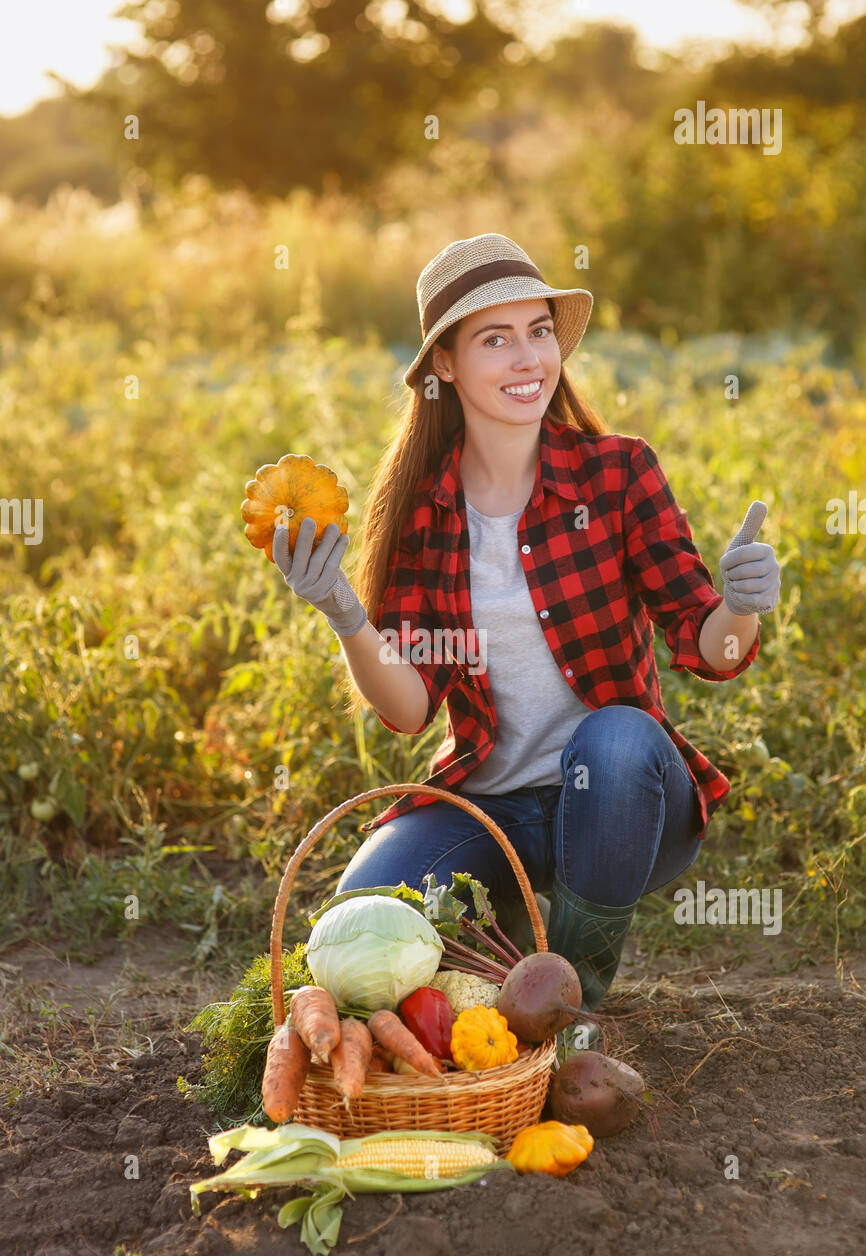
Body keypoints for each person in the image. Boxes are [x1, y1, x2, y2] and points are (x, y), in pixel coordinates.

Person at [272, 232, 781, 1010]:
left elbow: (706, 645)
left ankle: (572, 1002)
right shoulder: (424, 513)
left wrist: (740, 607)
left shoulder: (617, 472)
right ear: (444, 363)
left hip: (624, 799)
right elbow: (410, 711)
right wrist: (345, 615)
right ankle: (508, 916)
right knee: (356, 920)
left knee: (614, 734)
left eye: (539, 332)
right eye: (495, 339)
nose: (528, 360)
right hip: (493, 808)